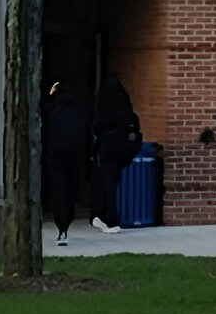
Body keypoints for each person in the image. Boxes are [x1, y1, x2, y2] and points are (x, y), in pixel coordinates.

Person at [87, 67, 142, 230]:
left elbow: (97, 127)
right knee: (112, 184)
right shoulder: (125, 107)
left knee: (103, 185)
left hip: (105, 151)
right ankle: (109, 217)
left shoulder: (103, 108)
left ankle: (102, 215)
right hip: (120, 152)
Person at [42, 65, 91, 245]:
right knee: (70, 191)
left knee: (57, 191)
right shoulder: (79, 110)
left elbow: (44, 133)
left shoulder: (50, 109)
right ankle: (66, 224)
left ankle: (60, 224)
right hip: (73, 157)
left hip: (54, 157)